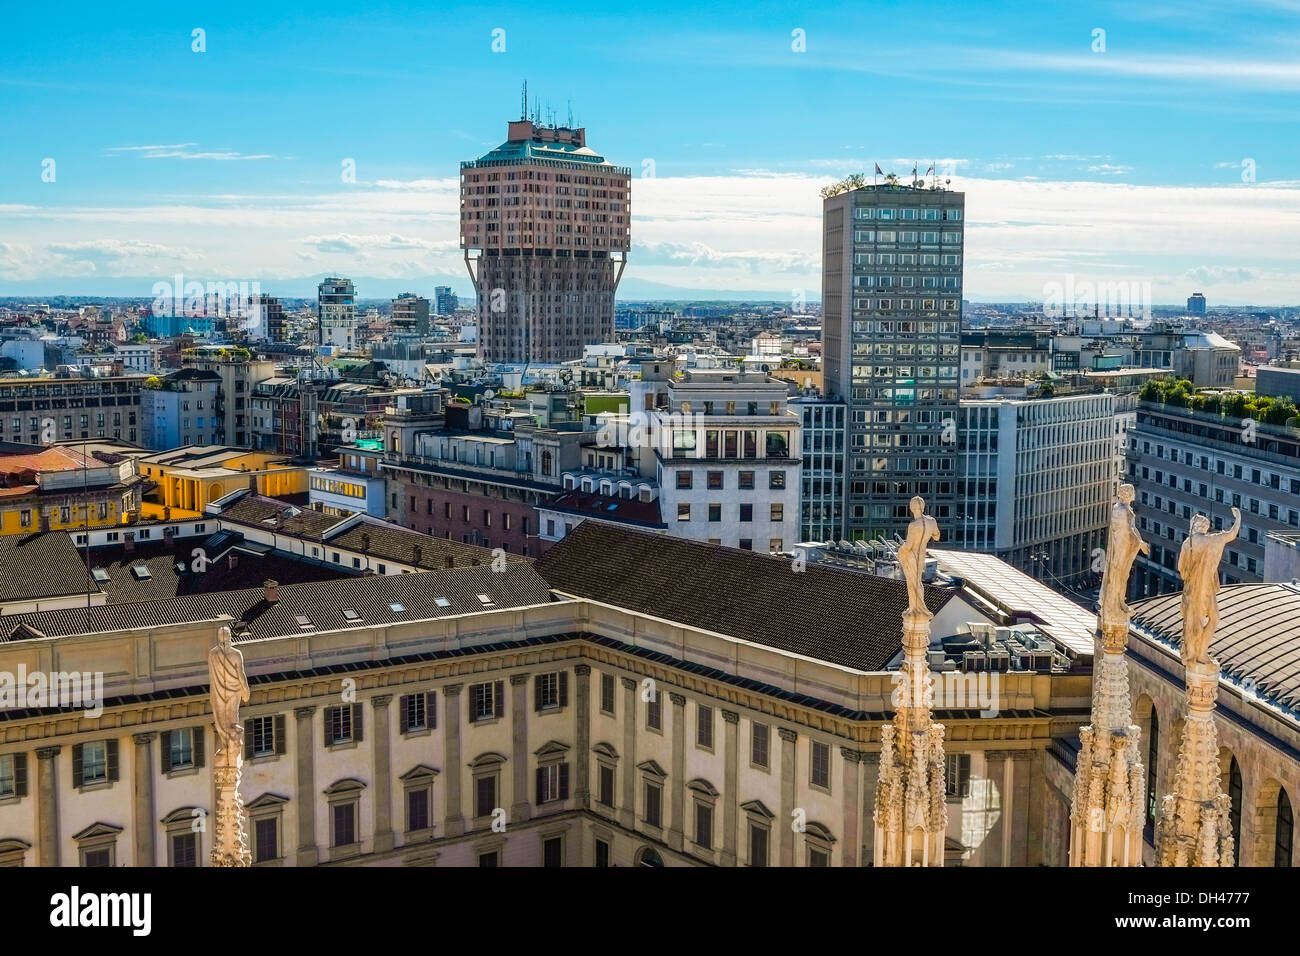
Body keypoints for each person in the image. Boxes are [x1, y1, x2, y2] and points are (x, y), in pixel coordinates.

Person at [1177, 508, 1241, 667]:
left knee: (1193, 621)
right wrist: (1238, 518)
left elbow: (1181, 568)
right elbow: (1231, 535)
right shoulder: (1211, 540)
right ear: (1204, 527)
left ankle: (1195, 651)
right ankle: (1201, 652)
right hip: (1205, 588)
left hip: (1191, 589)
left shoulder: (1187, 543)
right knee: (1214, 618)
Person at [1099, 484, 1149, 625]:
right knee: (1118, 575)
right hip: (1121, 547)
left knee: (1123, 576)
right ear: (1128, 494)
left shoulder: (1124, 509)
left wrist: (1139, 542)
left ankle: (1119, 602)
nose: (1134, 494)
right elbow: (1128, 530)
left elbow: (1132, 528)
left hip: (1126, 546)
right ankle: (1114, 604)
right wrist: (1141, 544)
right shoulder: (1120, 510)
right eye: (1132, 492)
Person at [208, 625, 250, 755]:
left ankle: (229, 745)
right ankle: (231, 746)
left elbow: (212, 677)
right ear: (230, 638)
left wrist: (213, 694)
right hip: (233, 692)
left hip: (219, 692)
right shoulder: (236, 654)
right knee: (231, 719)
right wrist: (246, 690)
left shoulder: (213, 653)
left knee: (221, 720)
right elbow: (241, 675)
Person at [898, 495, 940, 618]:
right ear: (923, 507)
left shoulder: (914, 525)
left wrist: (900, 551)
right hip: (921, 554)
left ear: (911, 508)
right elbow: (937, 536)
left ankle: (915, 608)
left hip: (912, 555)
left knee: (912, 583)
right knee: (917, 582)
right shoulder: (931, 521)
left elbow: (909, 545)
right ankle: (919, 607)